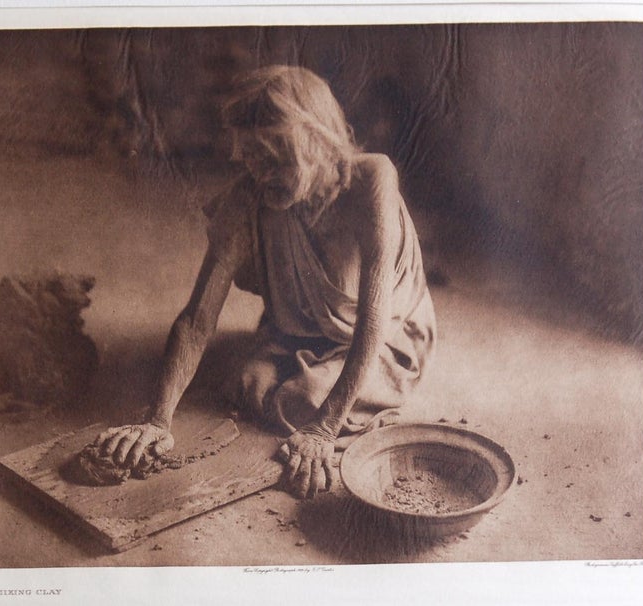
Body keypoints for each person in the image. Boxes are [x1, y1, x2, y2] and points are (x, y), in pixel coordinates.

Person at [95, 65, 436, 499]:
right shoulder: (249, 196)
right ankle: (326, 381)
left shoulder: (372, 179)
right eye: (251, 159)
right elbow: (198, 319)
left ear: (316, 141)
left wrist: (324, 428)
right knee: (248, 381)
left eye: (274, 158)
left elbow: (372, 319)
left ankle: (357, 394)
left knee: (304, 400)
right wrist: (157, 419)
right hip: (293, 335)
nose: (260, 173)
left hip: (384, 336)